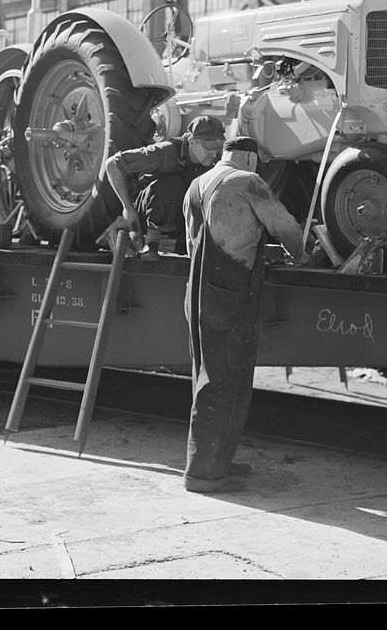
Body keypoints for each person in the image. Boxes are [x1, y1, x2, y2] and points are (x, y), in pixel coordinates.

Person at [181, 136, 309, 493]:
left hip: (199, 293)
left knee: (211, 377)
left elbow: (193, 242)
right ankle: (203, 473)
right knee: (223, 381)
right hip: (232, 294)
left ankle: (218, 459)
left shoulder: (197, 184)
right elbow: (286, 229)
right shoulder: (247, 181)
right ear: (250, 158)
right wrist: (300, 252)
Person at [104, 115, 225, 261]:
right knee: (172, 183)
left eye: (217, 148)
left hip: (181, 214)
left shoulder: (215, 159)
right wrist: (127, 208)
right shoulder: (163, 153)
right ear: (192, 141)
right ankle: (151, 243)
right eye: (209, 147)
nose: (213, 153)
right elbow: (112, 165)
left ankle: (185, 245)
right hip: (146, 209)